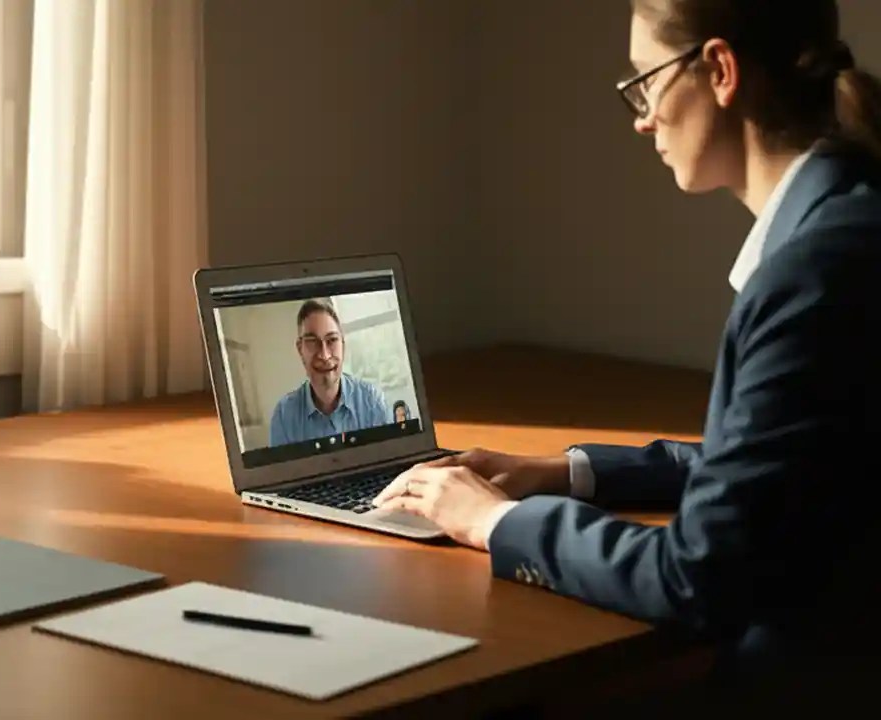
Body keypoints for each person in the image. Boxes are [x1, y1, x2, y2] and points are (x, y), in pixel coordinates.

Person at [373, 0, 881, 707]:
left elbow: (695, 577)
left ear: (721, 71)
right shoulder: (853, 217)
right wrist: (565, 472)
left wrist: (493, 522)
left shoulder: (813, 275)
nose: (643, 118)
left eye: (648, 80)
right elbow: (780, 469)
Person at [268, 299, 390, 446]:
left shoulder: (372, 402)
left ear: (343, 346)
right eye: (312, 341)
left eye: (332, 340)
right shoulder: (283, 416)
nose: (324, 355)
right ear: (300, 349)